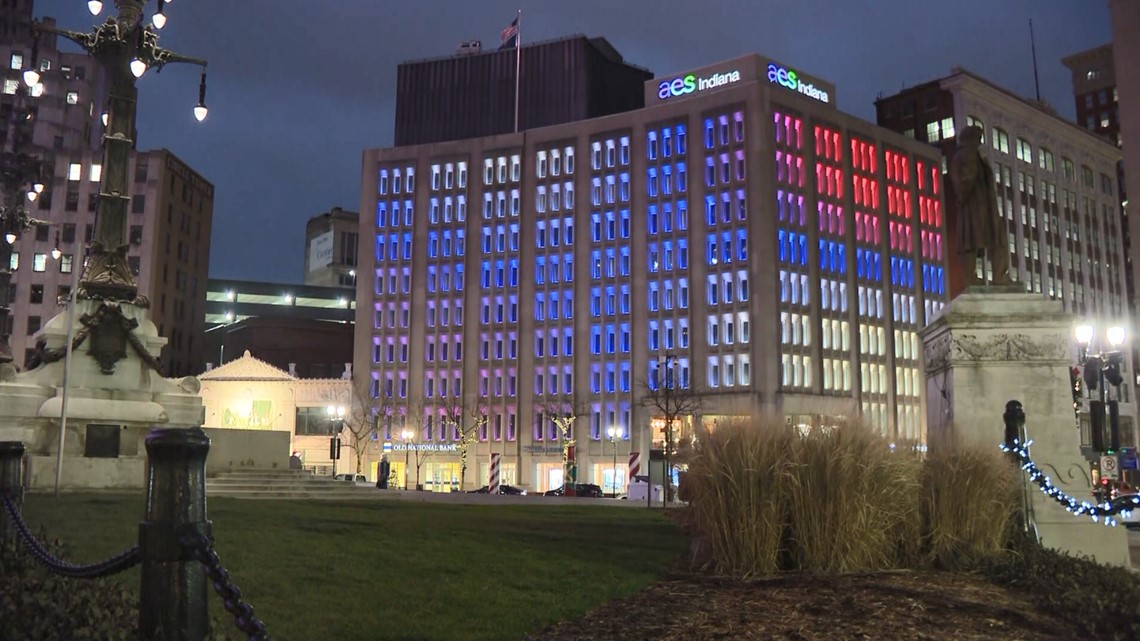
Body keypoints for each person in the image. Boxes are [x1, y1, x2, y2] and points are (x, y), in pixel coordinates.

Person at [950, 125, 1013, 287]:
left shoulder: (968, 154)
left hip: (979, 207)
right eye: (978, 139)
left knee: (975, 241)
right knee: (979, 241)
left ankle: (985, 277)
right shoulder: (967, 154)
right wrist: (963, 198)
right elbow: (965, 179)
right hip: (976, 208)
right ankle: (996, 277)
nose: (979, 142)